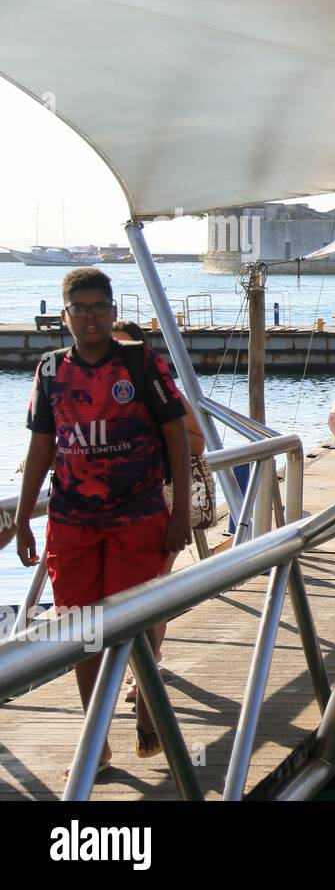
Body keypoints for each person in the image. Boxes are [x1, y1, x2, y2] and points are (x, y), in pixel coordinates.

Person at [1, 268, 191, 774]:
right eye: (78, 309)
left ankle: (148, 709)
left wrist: (179, 514)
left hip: (138, 516)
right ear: (64, 316)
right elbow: (41, 446)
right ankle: (96, 741)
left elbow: (176, 433)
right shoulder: (49, 371)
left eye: (97, 308)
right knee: (81, 630)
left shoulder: (139, 362)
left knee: (138, 621)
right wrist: (22, 520)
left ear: (111, 311)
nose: (89, 317)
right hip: (72, 521)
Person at [111, 321, 206, 704]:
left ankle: (146, 672)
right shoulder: (89, 393)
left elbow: (196, 441)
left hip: (159, 503)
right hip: (110, 512)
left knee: (151, 590)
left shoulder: (159, 389)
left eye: (122, 348)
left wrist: (153, 440)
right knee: (118, 596)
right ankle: (135, 669)